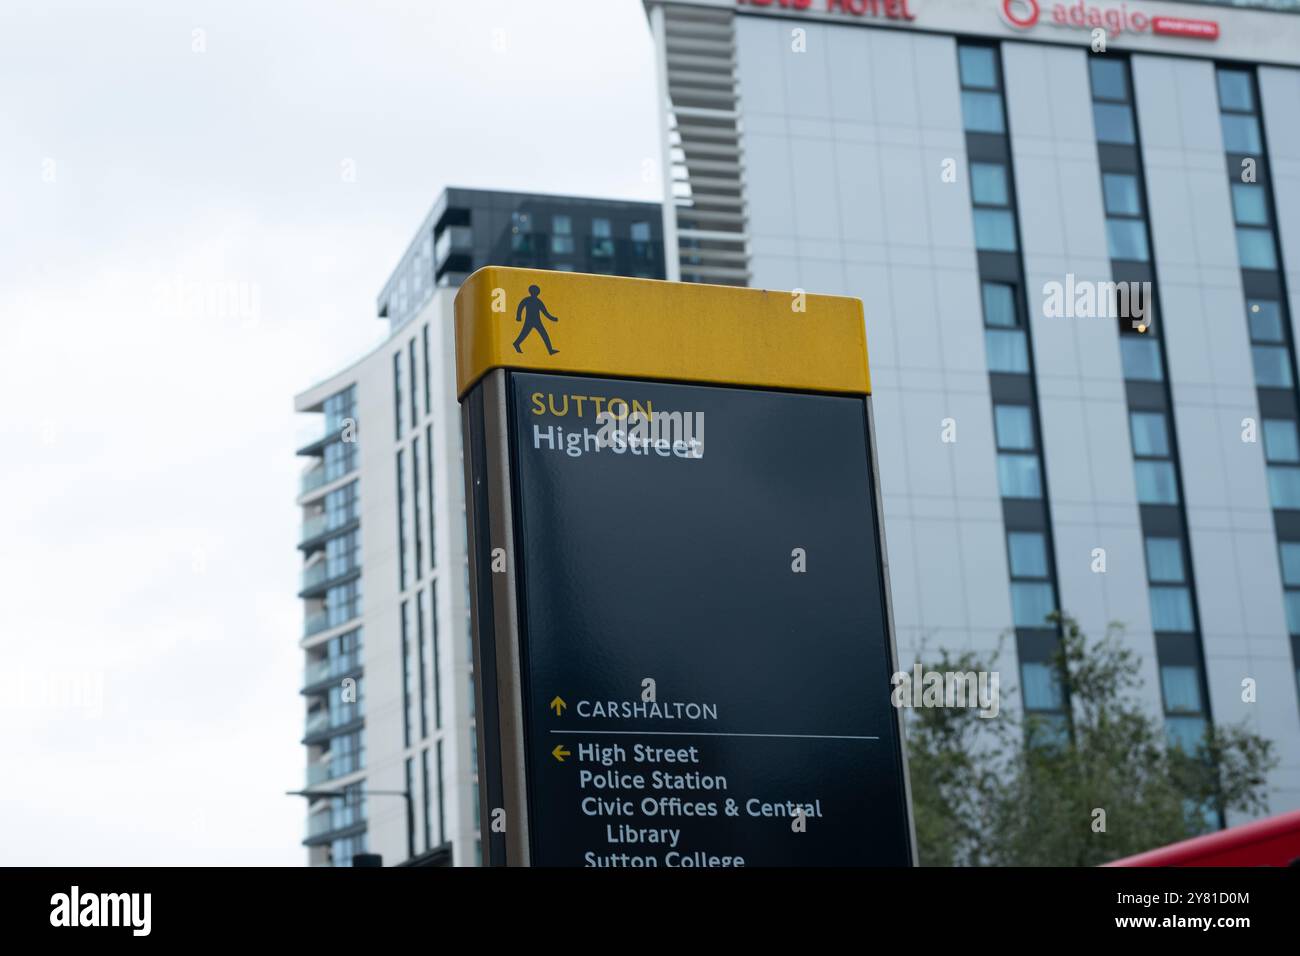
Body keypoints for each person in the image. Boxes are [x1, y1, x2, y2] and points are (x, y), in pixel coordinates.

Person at [513, 285, 560, 355]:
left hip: (537, 321)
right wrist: (518, 316)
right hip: (529, 321)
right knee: (524, 334)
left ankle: (550, 350)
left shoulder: (538, 301)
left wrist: (553, 318)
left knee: (544, 334)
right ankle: (516, 343)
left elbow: (545, 312)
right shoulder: (527, 300)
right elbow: (520, 307)